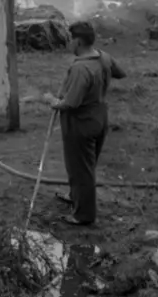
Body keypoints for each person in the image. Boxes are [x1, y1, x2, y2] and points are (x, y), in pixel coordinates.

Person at [42, 21, 126, 226]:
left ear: (78, 41)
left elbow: (71, 103)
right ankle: (75, 196)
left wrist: (51, 100)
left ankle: (84, 215)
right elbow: (120, 72)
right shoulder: (103, 57)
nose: (68, 44)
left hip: (80, 123)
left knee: (81, 169)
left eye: (70, 39)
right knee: (84, 166)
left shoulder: (81, 68)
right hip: (99, 116)